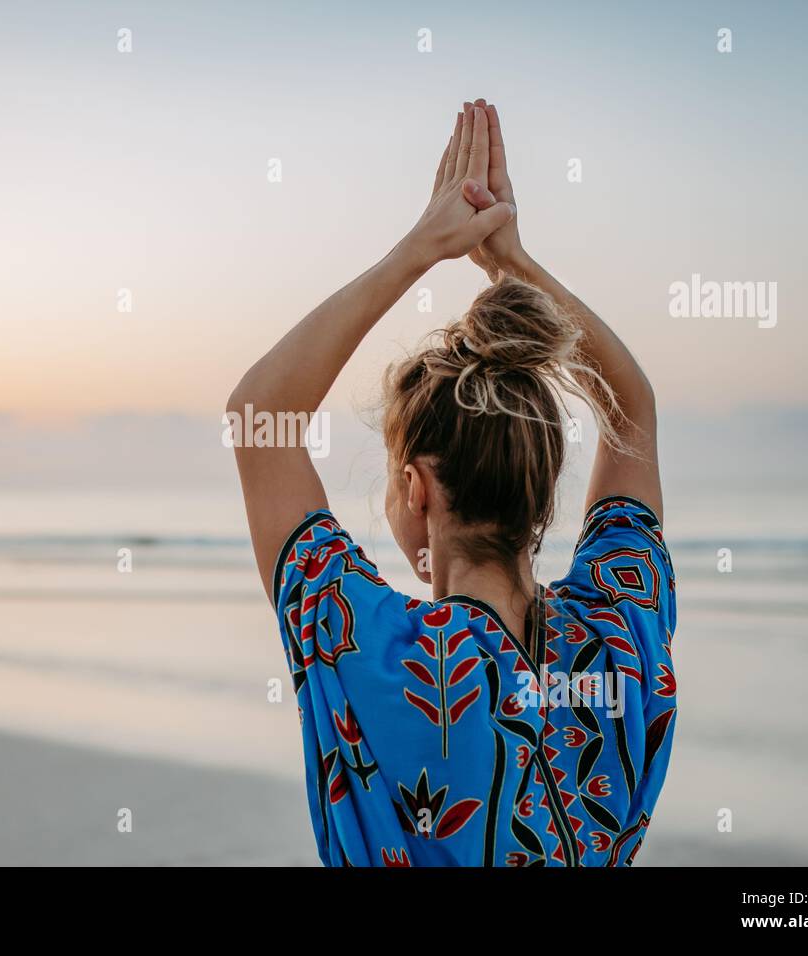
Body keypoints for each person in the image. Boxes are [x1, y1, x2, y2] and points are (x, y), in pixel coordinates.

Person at [227, 99, 676, 866]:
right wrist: (513, 264)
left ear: (418, 489)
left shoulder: (370, 651)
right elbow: (628, 406)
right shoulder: (617, 631)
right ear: (537, 486)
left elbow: (258, 418)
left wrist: (421, 249)